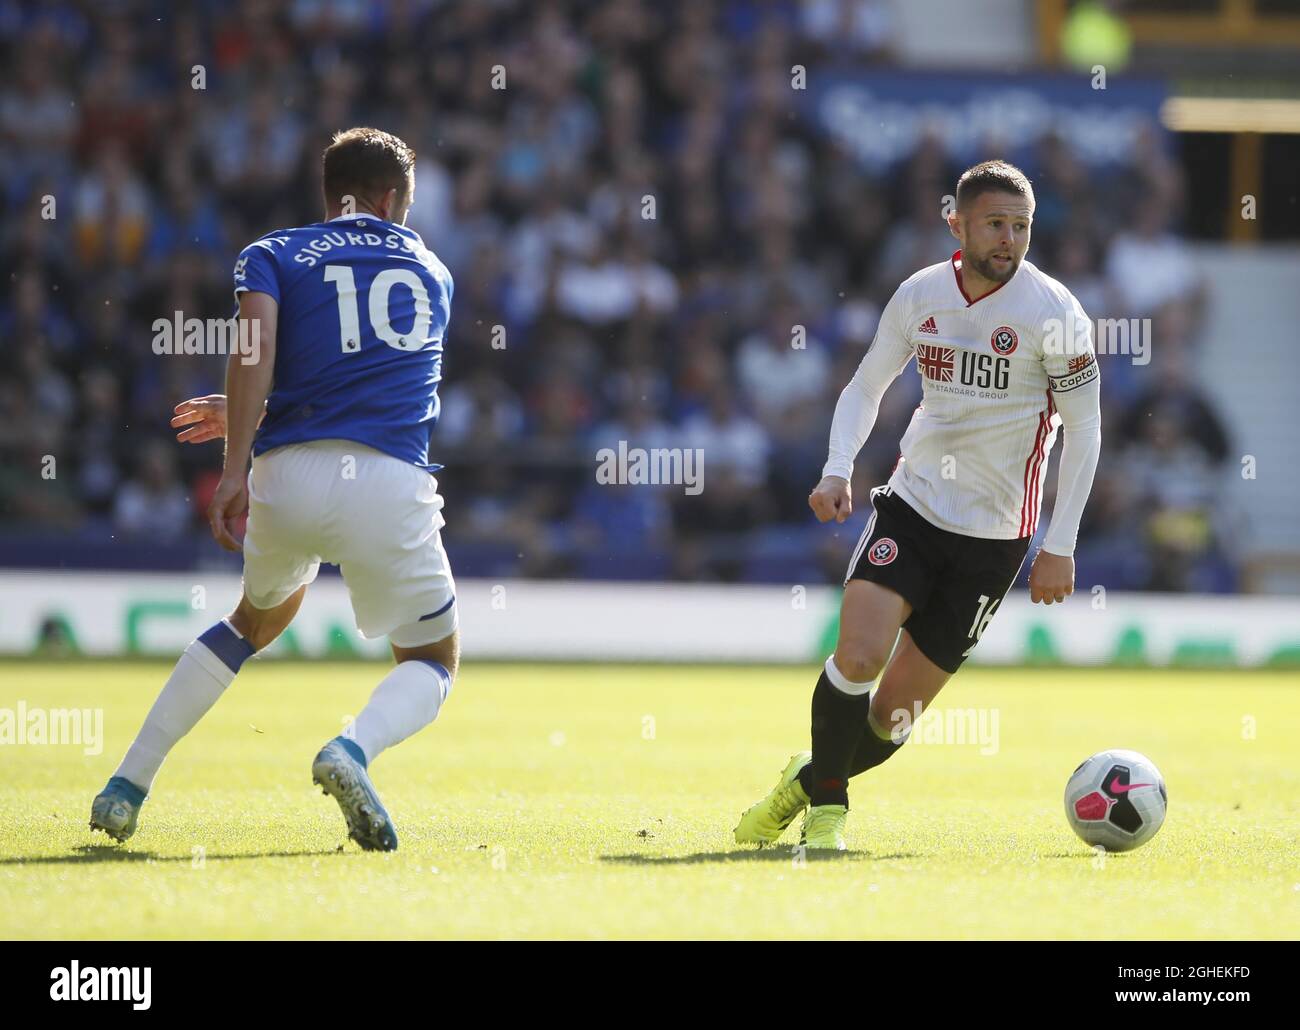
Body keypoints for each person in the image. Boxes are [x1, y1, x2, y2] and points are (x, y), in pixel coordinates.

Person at [90, 128, 458, 852]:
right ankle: (350, 750)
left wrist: (234, 466)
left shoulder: (275, 252)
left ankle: (127, 784)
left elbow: (254, 349)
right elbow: (373, 374)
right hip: (387, 481)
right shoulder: (433, 271)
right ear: (390, 201)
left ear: (333, 194)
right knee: (432, 660)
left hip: (284, 476)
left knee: (250, 623)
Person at [734, 161, 1102, 850]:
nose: (1010, 239)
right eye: (996, 223)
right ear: (955, 223)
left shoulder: (1055, 314)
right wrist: (838, 467)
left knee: (892, 719)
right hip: (914, 508)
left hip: (995, 541)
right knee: (860, 653)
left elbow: (1085, 429)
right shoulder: (918, 295)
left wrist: (1061, 543)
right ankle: (829, 816)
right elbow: (866, 385)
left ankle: (804, 780)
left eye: (1021, 227)